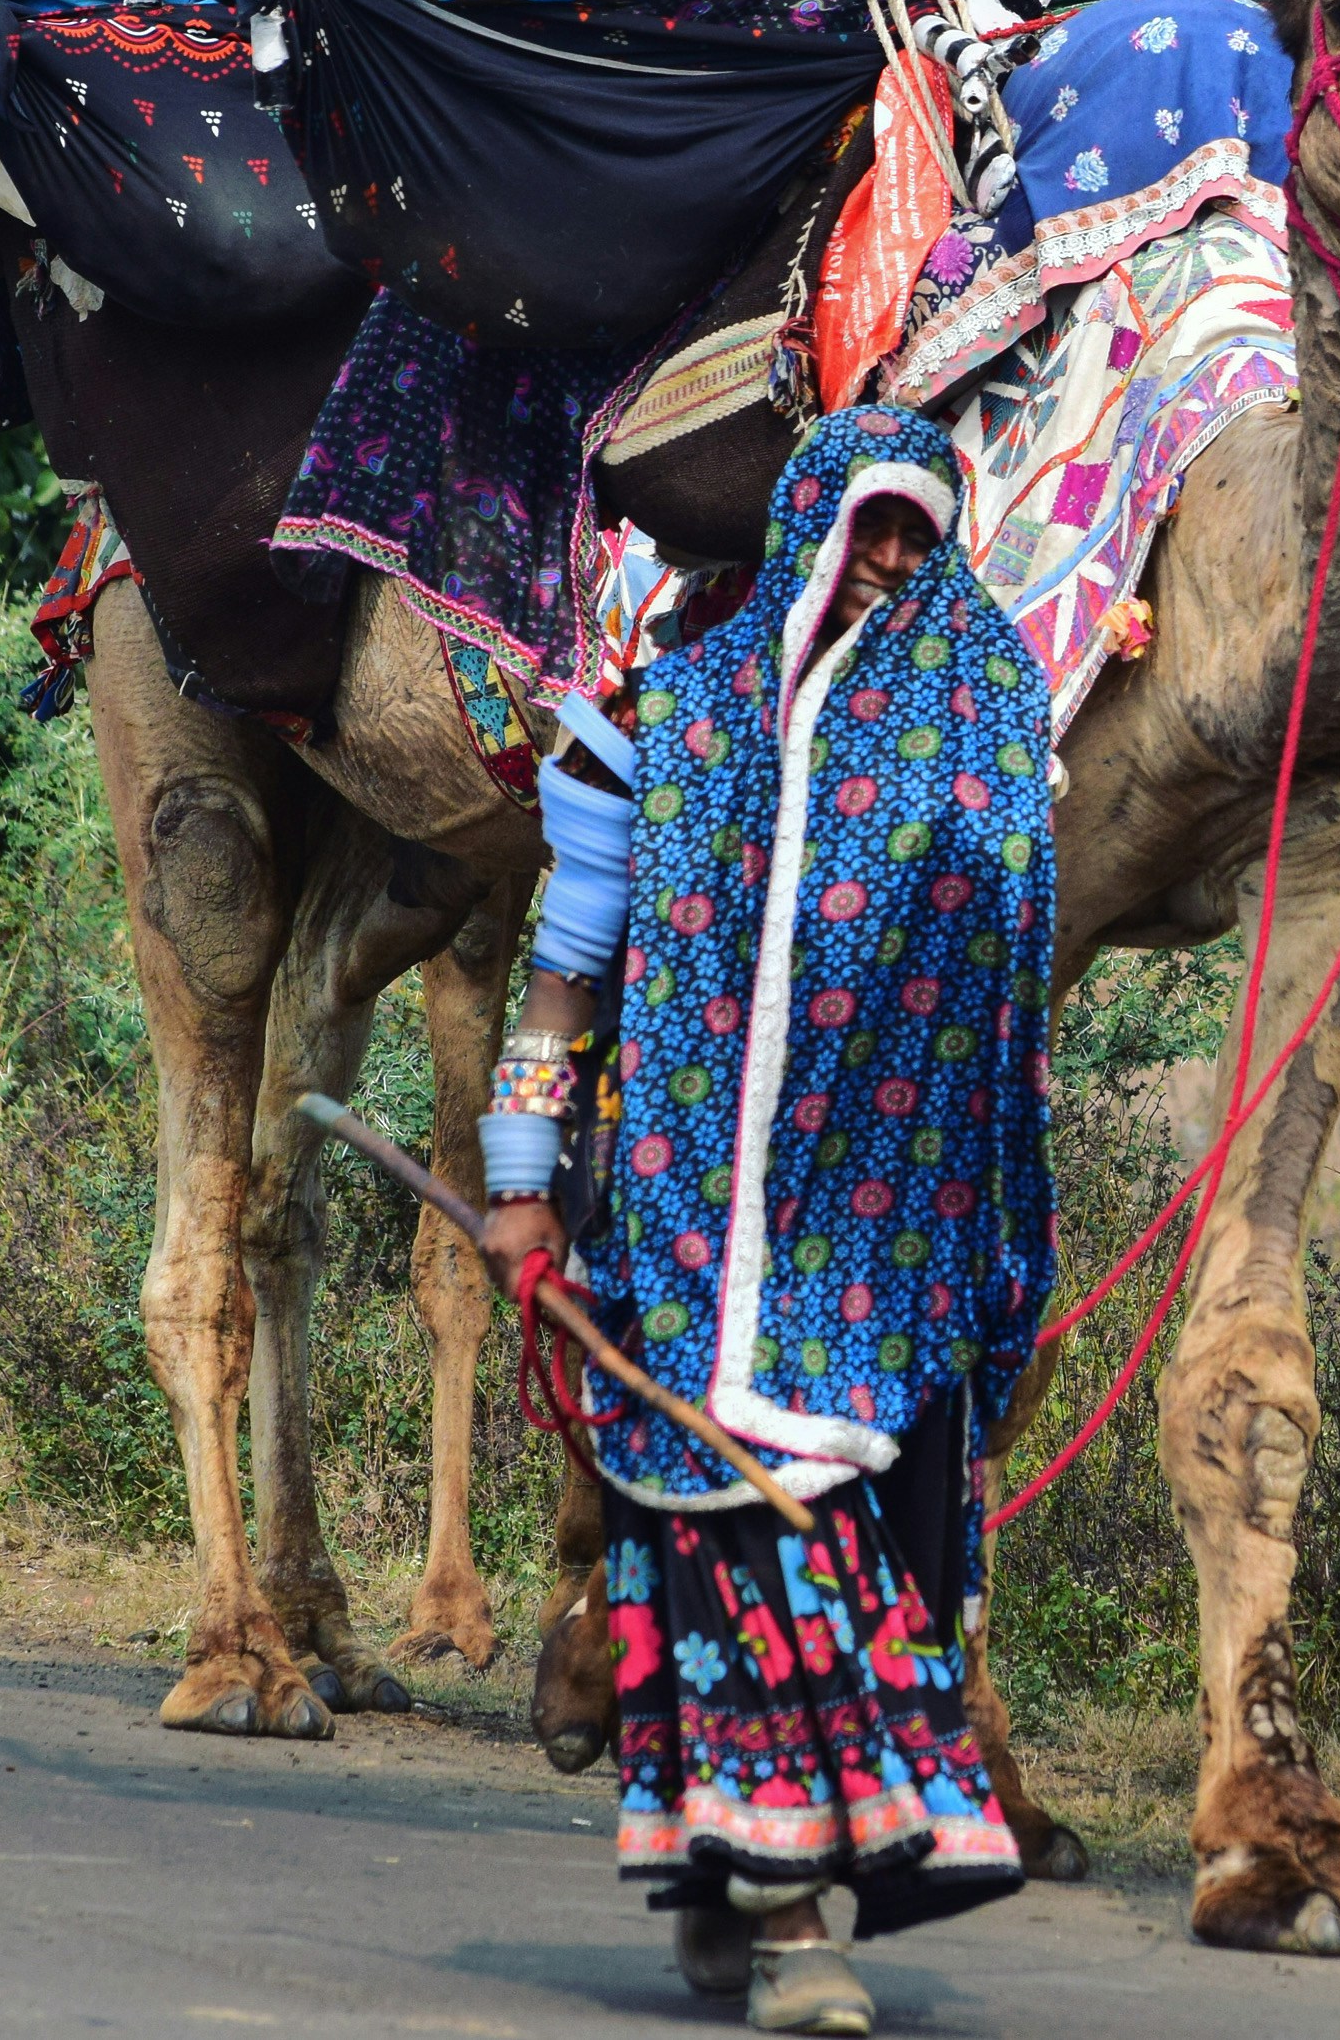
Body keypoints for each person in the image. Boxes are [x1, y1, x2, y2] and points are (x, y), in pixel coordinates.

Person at [475, 407, 1058, 2039]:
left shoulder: (985, 733)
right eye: (864, 527)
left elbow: (1009, 1007)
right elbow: (568, 972)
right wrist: (523, 1171)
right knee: (740, 1551)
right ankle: (791, 1913)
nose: (885, 563)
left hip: (885, 1263)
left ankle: (743, 1876)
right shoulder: (657, 724)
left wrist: (996, 1240)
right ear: (805, 524)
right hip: (683, 1238)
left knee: (860, 1571)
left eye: (913, 536)